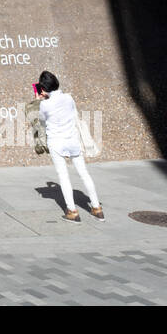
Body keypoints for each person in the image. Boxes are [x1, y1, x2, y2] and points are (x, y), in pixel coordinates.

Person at [36, 70, 103, 221]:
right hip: (73, 140)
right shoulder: (68, 98)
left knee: (63, 176)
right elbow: (72, 113)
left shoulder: (45, 105)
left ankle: (72, 211)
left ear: (43, 88)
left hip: (56, 142)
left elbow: (41, 121)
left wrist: (40, 100)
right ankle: (97, 208)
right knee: (84, 173)